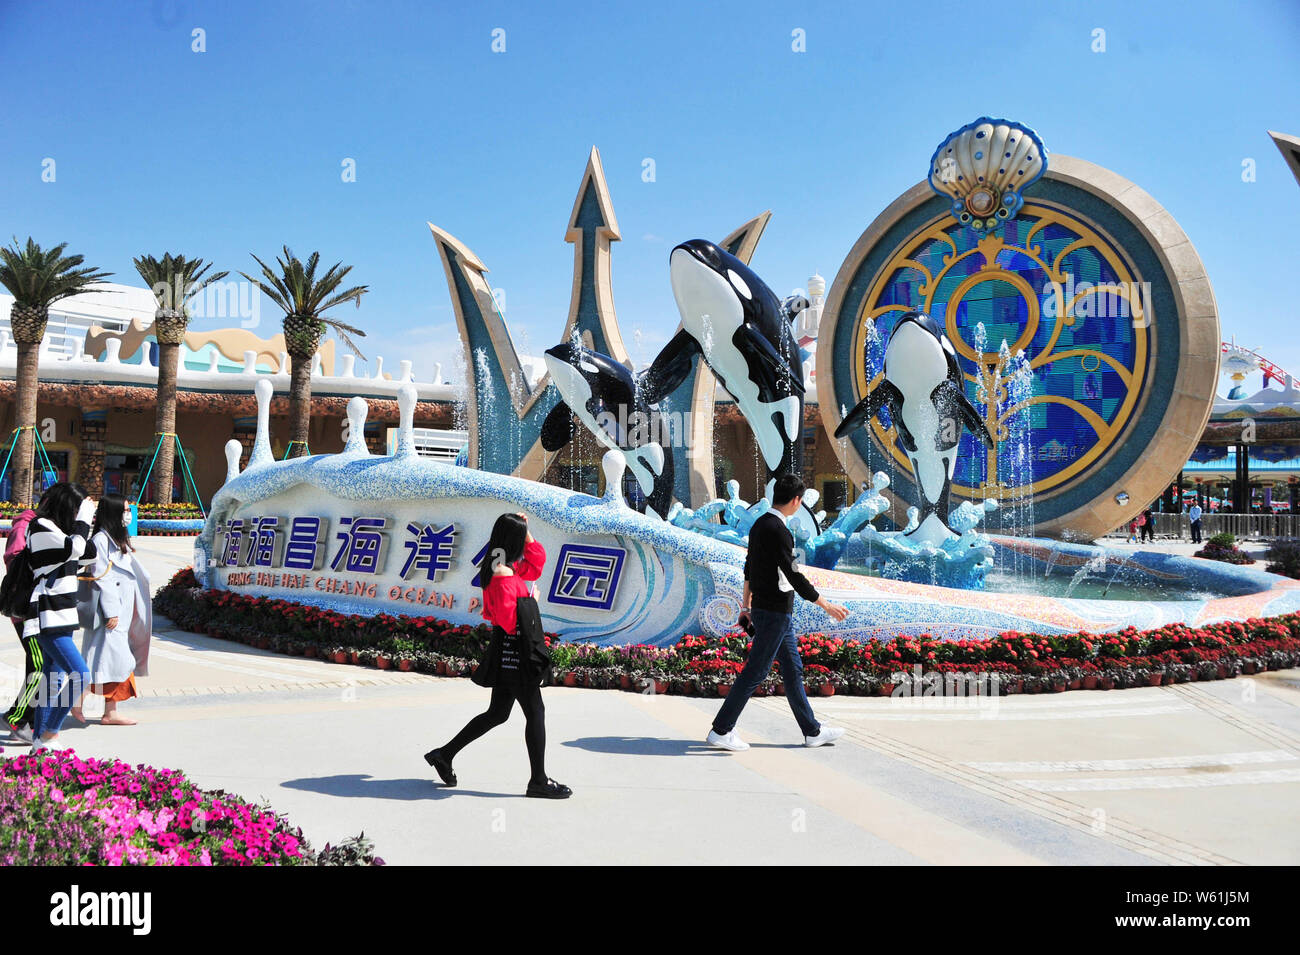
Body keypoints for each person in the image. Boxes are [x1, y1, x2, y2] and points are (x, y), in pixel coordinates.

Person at [424, 512, 570, 799]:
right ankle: (538, 781)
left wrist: (527, 531)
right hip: (515, 650)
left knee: (498, 714)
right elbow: (507, 619)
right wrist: (531, 602)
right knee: (535, 712)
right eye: (522, 538)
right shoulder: (503, 572)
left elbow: (536, 565)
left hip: (508, 650)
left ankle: (444, 754)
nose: (525, 543)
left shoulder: (507, 567)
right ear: (513, 541)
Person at [707, 474, 850, 752]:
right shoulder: (779, 530)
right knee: (756, 671)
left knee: (792, 669)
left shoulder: (761, 524)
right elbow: (793, 574)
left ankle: (812, 731)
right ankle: (721, 730)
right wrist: (826, 605)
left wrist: (746, 606)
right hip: (774, 613)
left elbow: (749, 568)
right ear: (796, 500)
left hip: (770, 611)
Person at [24, 483, 97, 752]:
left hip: (63, 614)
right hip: (48, 614)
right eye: (78, 509)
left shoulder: (63, 532)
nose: (80, 514)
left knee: (52, 681)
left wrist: (85, 525)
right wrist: (82, 522)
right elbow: (74, 549)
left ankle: (38, 743)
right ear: (67, 505)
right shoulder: (40, 526)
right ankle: (50, 734)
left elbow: (89, 554)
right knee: (80, 675)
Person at [71, 494, 152, 726]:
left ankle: (109, 711)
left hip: (122, 612)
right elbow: (101, 578)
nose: (128, 514)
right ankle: (78, 700)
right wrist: (111, 611)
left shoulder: (116, 538)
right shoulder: (100, 540)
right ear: (114, 512)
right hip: (110, 615)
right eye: (125, 510)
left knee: (113, 662)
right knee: (110, 661)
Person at [4, 505, 39, 742]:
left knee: (38, 665)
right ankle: (19, 719)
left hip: (39, 609)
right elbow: (14, 560)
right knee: (38, 664)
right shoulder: (24, 527)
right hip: (24, 610)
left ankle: (24, 716)